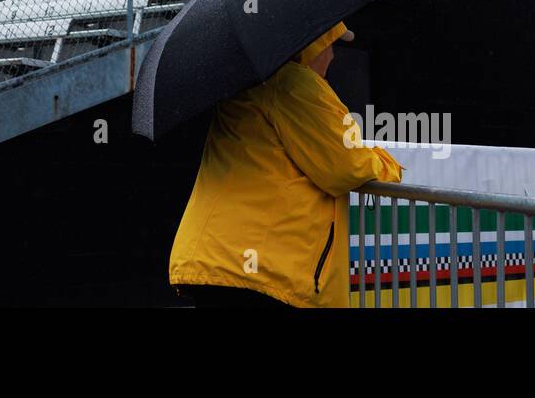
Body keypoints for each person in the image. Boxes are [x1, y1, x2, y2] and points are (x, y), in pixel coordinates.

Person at [169, 20, 403, 308]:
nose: (333, 56)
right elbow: (347, 166)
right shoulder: (295, 84)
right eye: (331, 45)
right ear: (315, 47)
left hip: (215, 259)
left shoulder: (248, 86)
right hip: (261, 272)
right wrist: (387, 164)